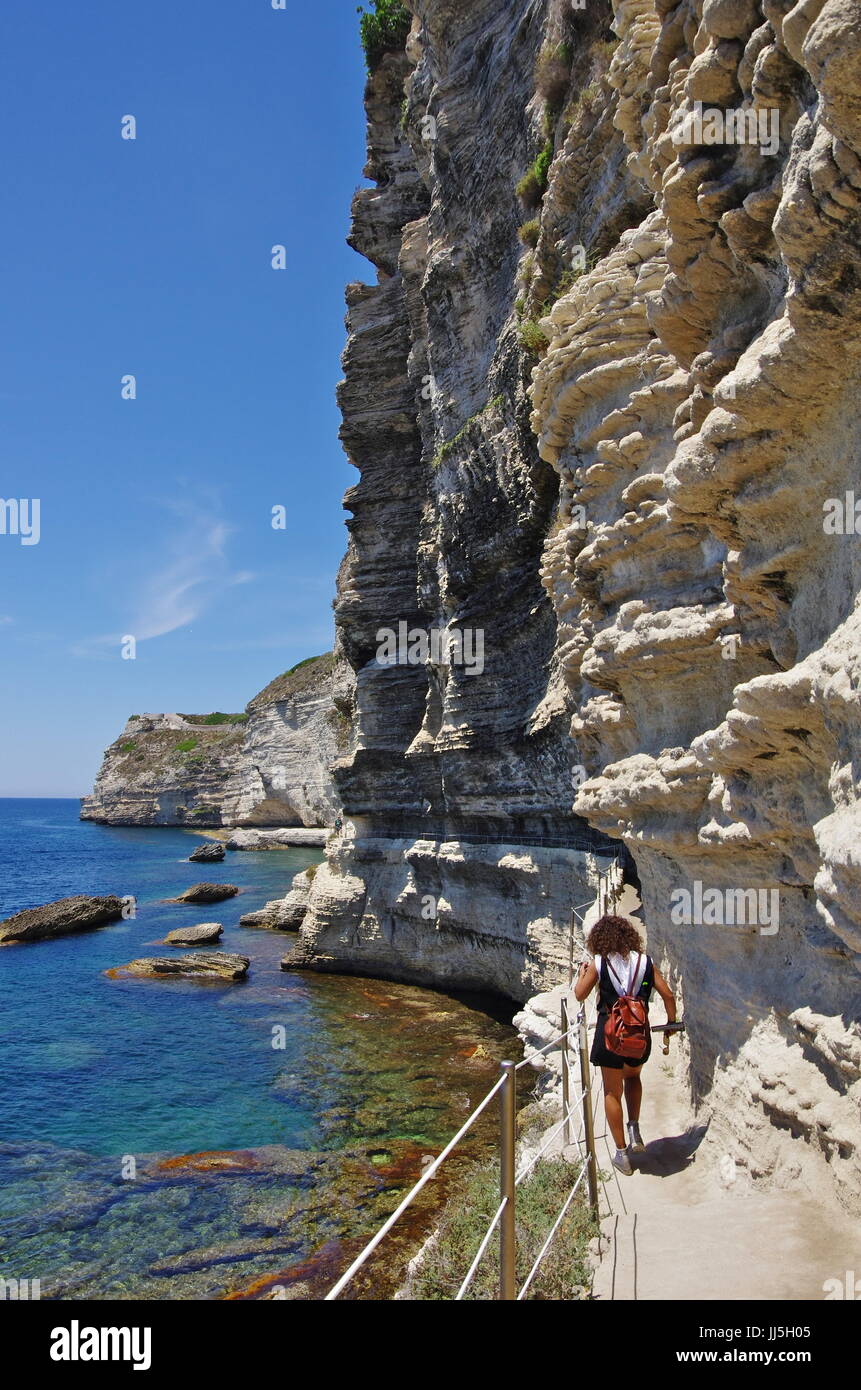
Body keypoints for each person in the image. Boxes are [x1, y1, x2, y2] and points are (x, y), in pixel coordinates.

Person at [573, 912, 677, 1176]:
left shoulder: (599, 963)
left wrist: (582, 973)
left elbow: (579, 994)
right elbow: (667, 995)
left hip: (609, 1035)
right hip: (638, 1035)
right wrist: (671, 1023)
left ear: (600, 939)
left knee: (611, 1092)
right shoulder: (646, 963)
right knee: (633, 1078)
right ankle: (634, 1128)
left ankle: (622, 1154)